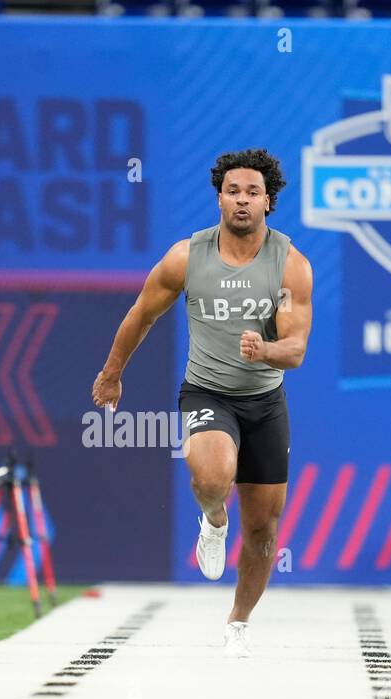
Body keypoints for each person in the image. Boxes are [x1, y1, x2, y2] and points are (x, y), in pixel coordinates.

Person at [91, 148, 313, 658]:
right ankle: (214, 518)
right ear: (219, 198)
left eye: (252, 193)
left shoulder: (290, 265)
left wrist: (267, 348)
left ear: (268, 203)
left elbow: (296, 349)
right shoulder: (187, 257)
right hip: (207, 392)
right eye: (233, 191)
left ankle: (238, 621)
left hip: (265, 402)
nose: (242, 200)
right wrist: (112, 374)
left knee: (262, 528)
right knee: (213, 476)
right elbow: (141, 314)